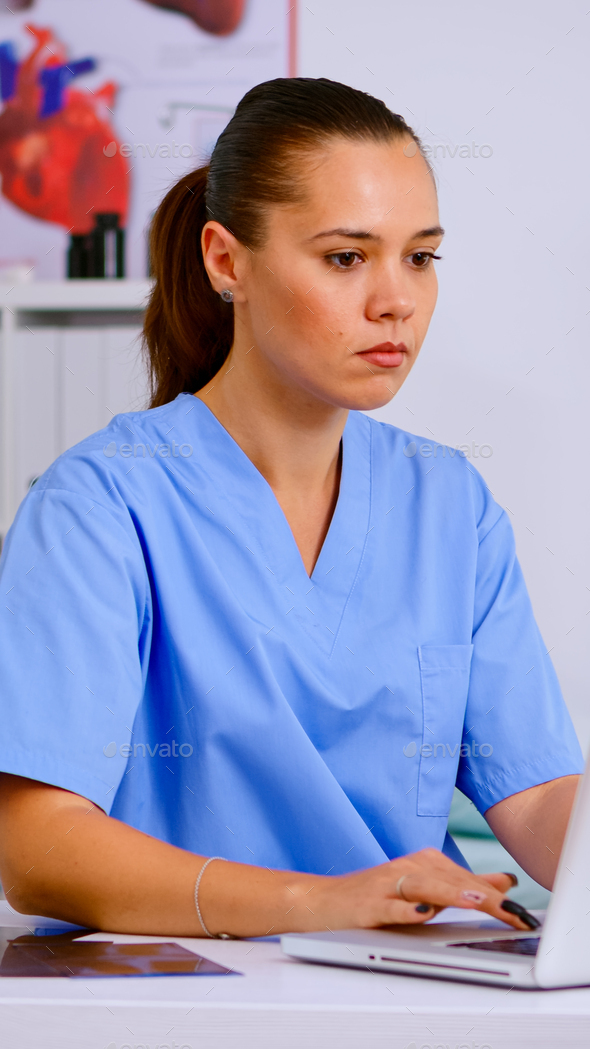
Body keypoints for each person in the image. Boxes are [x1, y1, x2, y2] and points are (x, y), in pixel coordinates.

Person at [0, 78, 582, 939]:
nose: (397, 300)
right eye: (346, 258)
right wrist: (316, 902)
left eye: (420, 256)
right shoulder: (99, 503)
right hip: (178, 993)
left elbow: (534, 792)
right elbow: (33, 846)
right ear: (226, 260)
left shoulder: (450, 503)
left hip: (409, 988)